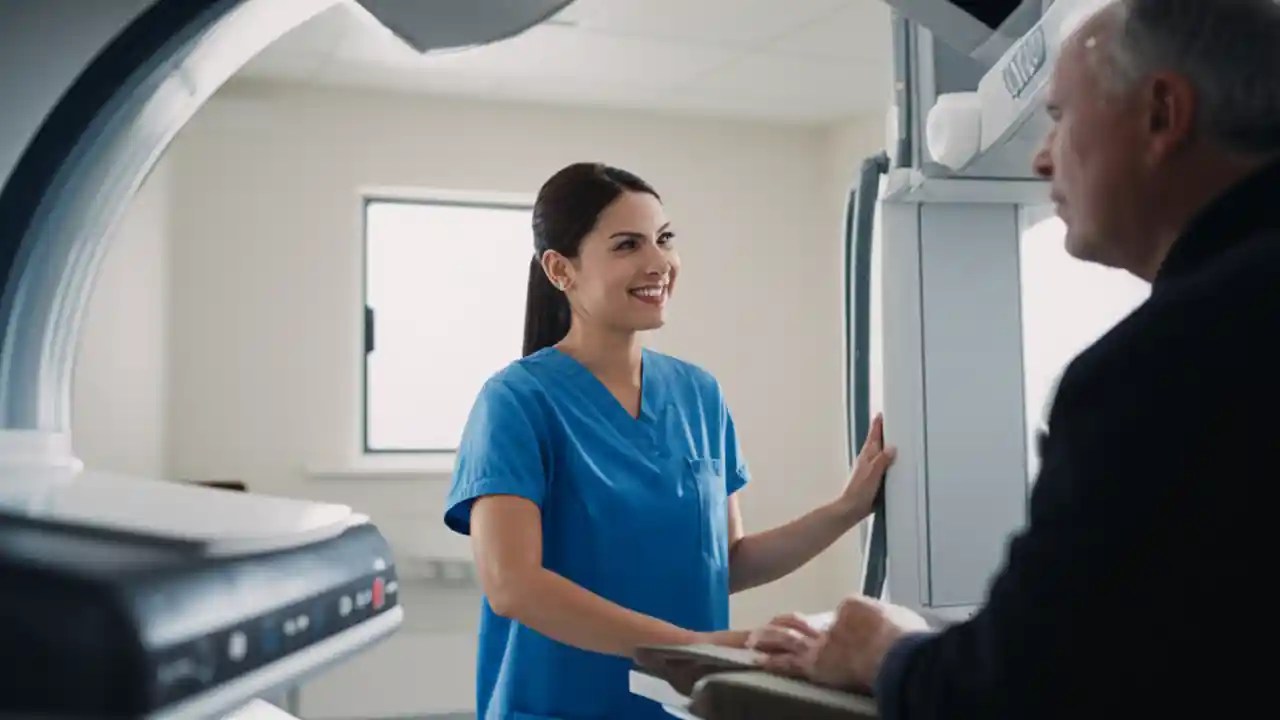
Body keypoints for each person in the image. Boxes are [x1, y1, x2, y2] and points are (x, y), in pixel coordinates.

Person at [760, 0, 1280, 717]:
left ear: (1162, 113)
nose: (1040, 155)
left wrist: (887, 649)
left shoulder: (1156, 368)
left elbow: (1021, 686)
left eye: (1061, 117)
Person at [442, 162, 896, 719]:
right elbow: (514, 586)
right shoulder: (516, 402)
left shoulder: (699, 394)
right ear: (561, 269)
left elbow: (724, 561)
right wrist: (698, 647)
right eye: (628, 245)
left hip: (680, 705)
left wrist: (846, 510)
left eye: (664, 239)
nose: (658, 263)